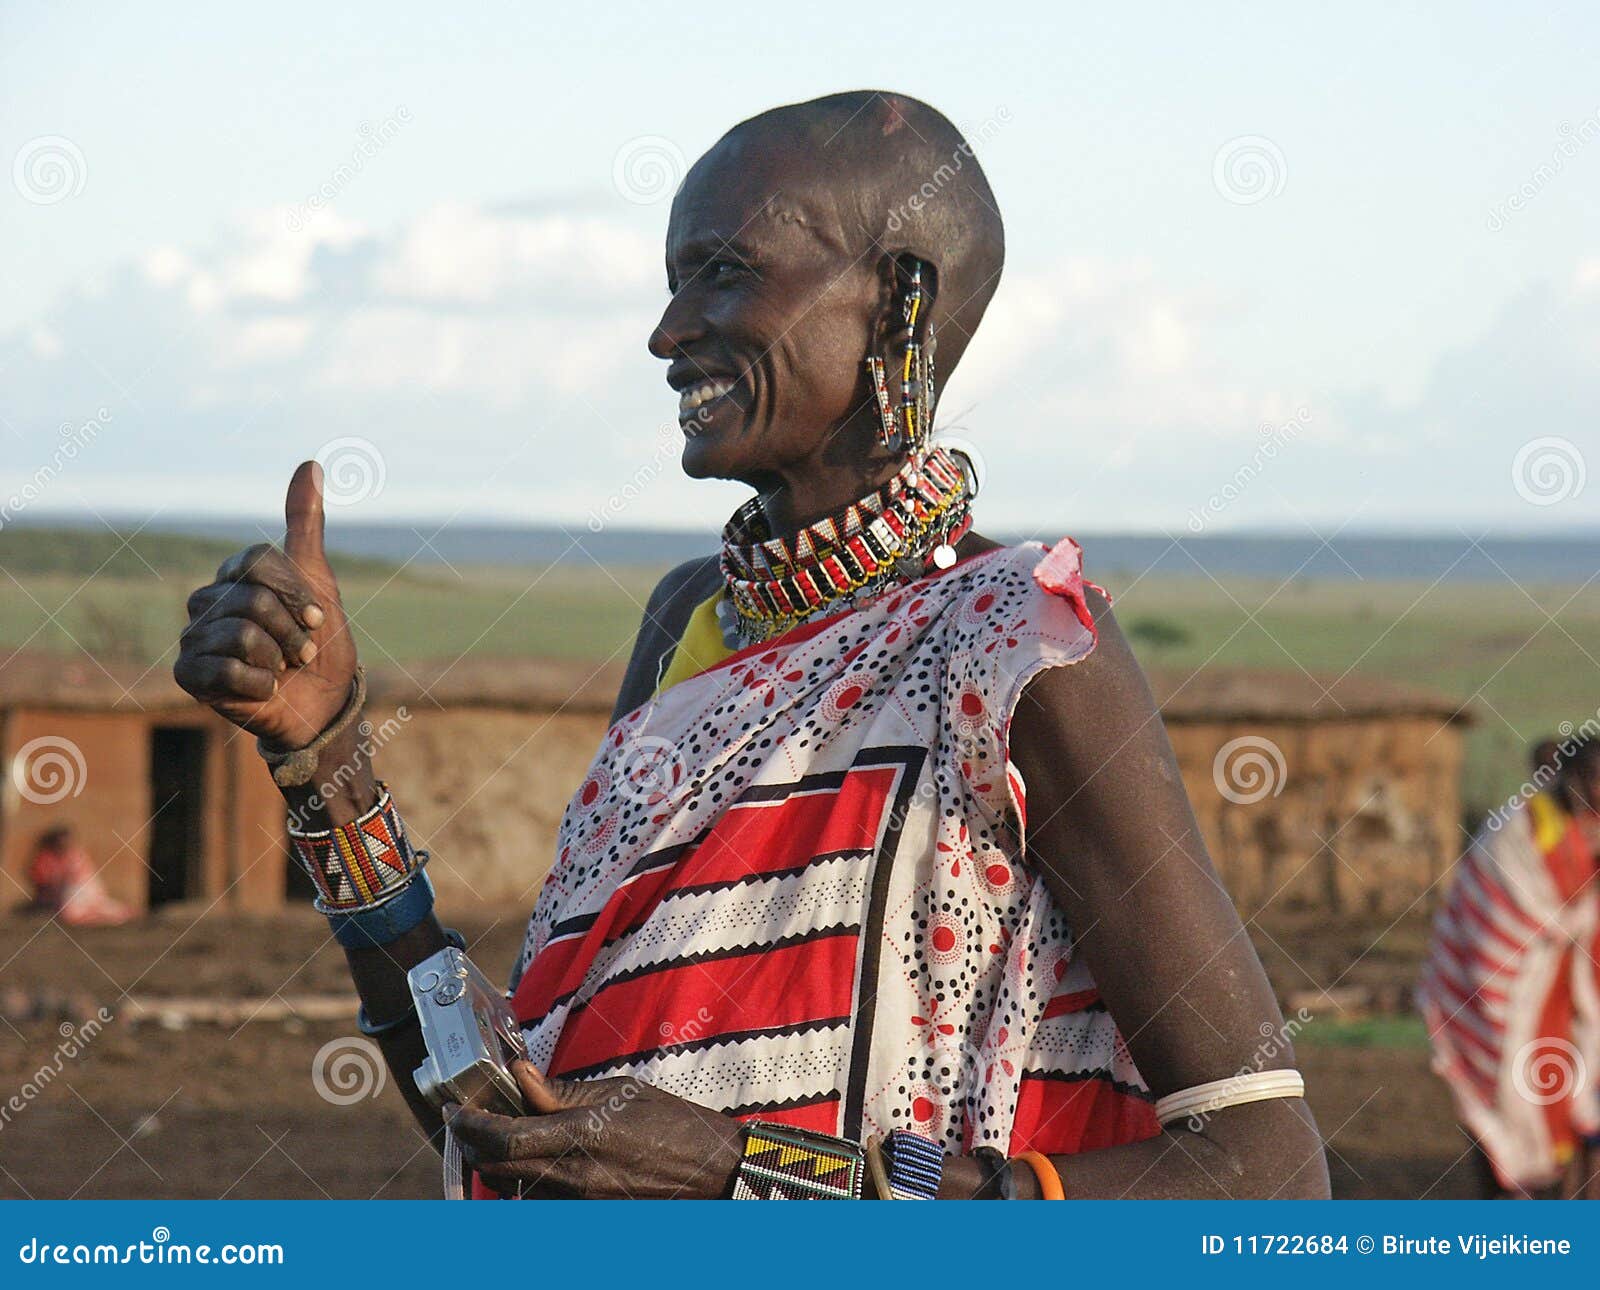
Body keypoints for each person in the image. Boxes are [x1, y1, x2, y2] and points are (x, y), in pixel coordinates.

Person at [174, 91, 1327, 1200]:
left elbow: (1266, 1174)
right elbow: (527, 1133)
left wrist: (740, 1176)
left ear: (897, 304)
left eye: (724, 274)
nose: (668, 334)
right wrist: (324, 760)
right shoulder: (690, 629)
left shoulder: (1018, 644)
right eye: (674, 283)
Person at [1419, 735, 1600, 1198]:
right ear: (1571, 777)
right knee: (1503, 1099)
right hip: (1497, 998)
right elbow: (1503, 915)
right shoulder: (1515, 832)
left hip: (1562, 1000)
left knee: (1574, 1106)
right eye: (1595, 781)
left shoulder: (1584, 831)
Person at [27, 827, 132, 927]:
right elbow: (41, 880)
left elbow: (80, 880)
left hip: (80, 891)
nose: (63, 844)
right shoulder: (45, 858)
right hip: (59, 896)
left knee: (78, 913)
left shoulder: (76, 856)